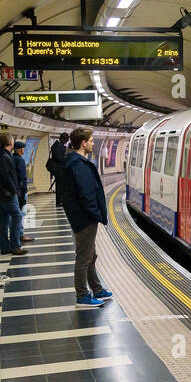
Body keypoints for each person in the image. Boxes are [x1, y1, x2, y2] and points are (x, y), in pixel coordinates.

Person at [57, 128, 112, 309]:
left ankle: (97, 289)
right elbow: (86, 194)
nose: (93, 143)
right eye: (91, 140)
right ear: (83, 143)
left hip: (82, 216)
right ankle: (82, 296)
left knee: (91, 255)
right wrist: (96, 215)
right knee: (83, 258)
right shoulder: (79, 165)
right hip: (85, 218)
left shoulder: (75, 162)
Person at [0, 131, 26, 258]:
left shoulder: (0, 154)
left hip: (1, 193)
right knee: (17, 216)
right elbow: (7, 176)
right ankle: (15, 246)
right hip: (7, 194)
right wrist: (15, 190)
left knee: (4, 219)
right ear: (10, 142)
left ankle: (4, 247)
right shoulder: (5, 157)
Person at [12, 139, 35, 243]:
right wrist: (24, 190)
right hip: (20, 191)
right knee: (21, 213)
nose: (24, 150)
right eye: (24, 148)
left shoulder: (11, 158)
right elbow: (22, 177)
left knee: (15, 215)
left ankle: (17, 234)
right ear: (21, 149)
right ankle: (20, 235)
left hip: (15, 191)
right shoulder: (20, 160)